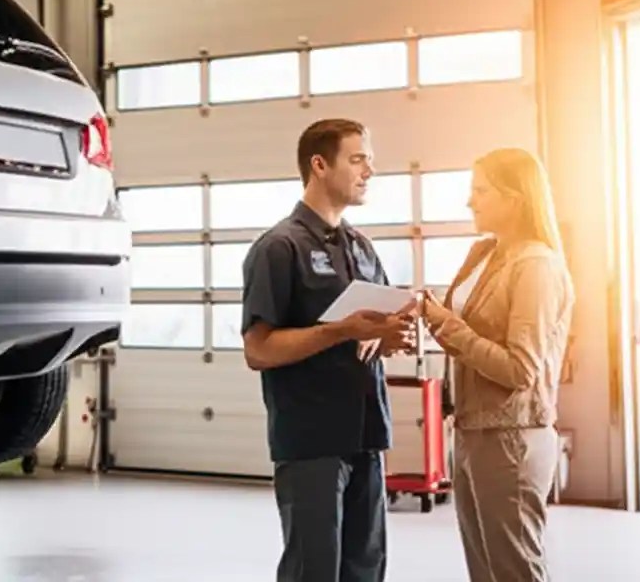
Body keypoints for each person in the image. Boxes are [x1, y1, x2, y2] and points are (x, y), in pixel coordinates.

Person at [241, 118, 416, 582]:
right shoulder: (278, 248)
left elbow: (372, 328)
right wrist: (339, 332)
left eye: (370, 161)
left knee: (365, 570)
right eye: (357, 160)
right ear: (319, 165)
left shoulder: (362, 247)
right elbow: (258, 349)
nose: (369, 171)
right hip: (311, 442)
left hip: (367, 438)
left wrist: (388, 334)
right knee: (314, 571)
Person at [418, 148, 574, 582]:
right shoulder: (488, 255)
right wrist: (432, 319)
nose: (471, 201)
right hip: (473, 431)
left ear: (515, 198)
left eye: (481, 191)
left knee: (514, 571)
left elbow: (520, 369)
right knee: (485, 572)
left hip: (512, 437)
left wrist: (448, 326)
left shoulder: (536, 266)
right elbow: (467, 336)